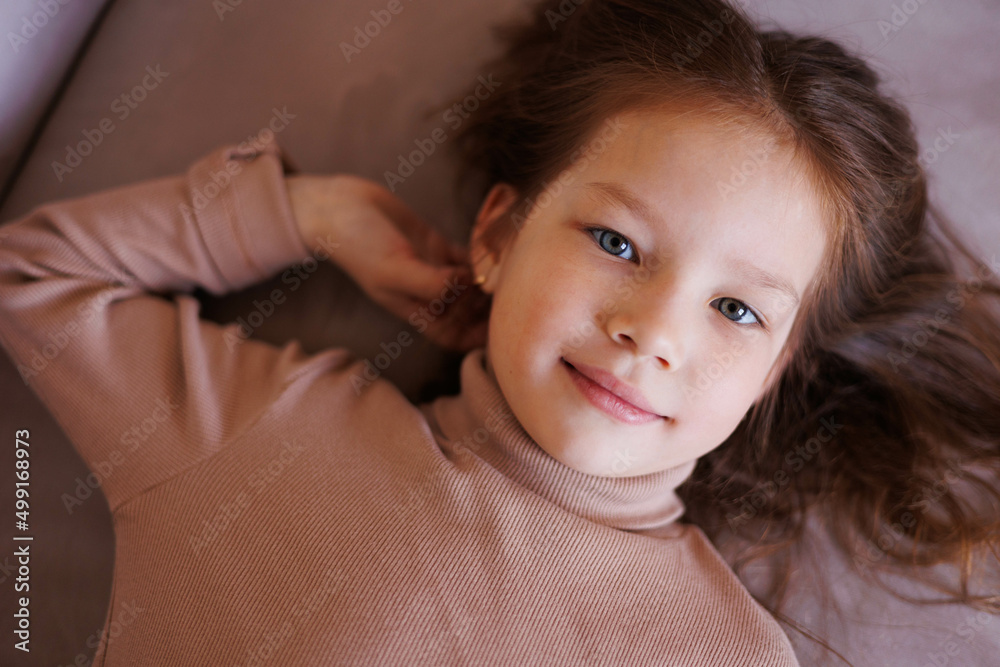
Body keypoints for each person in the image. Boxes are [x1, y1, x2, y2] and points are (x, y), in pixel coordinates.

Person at [0, 1, 995, 665]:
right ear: (497, 235)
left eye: (736, 309)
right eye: (615, 240)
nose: (648, 329)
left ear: (778, 370)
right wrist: (307, 214)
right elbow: (31, 275)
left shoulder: (723, 651)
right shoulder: (260, 432)